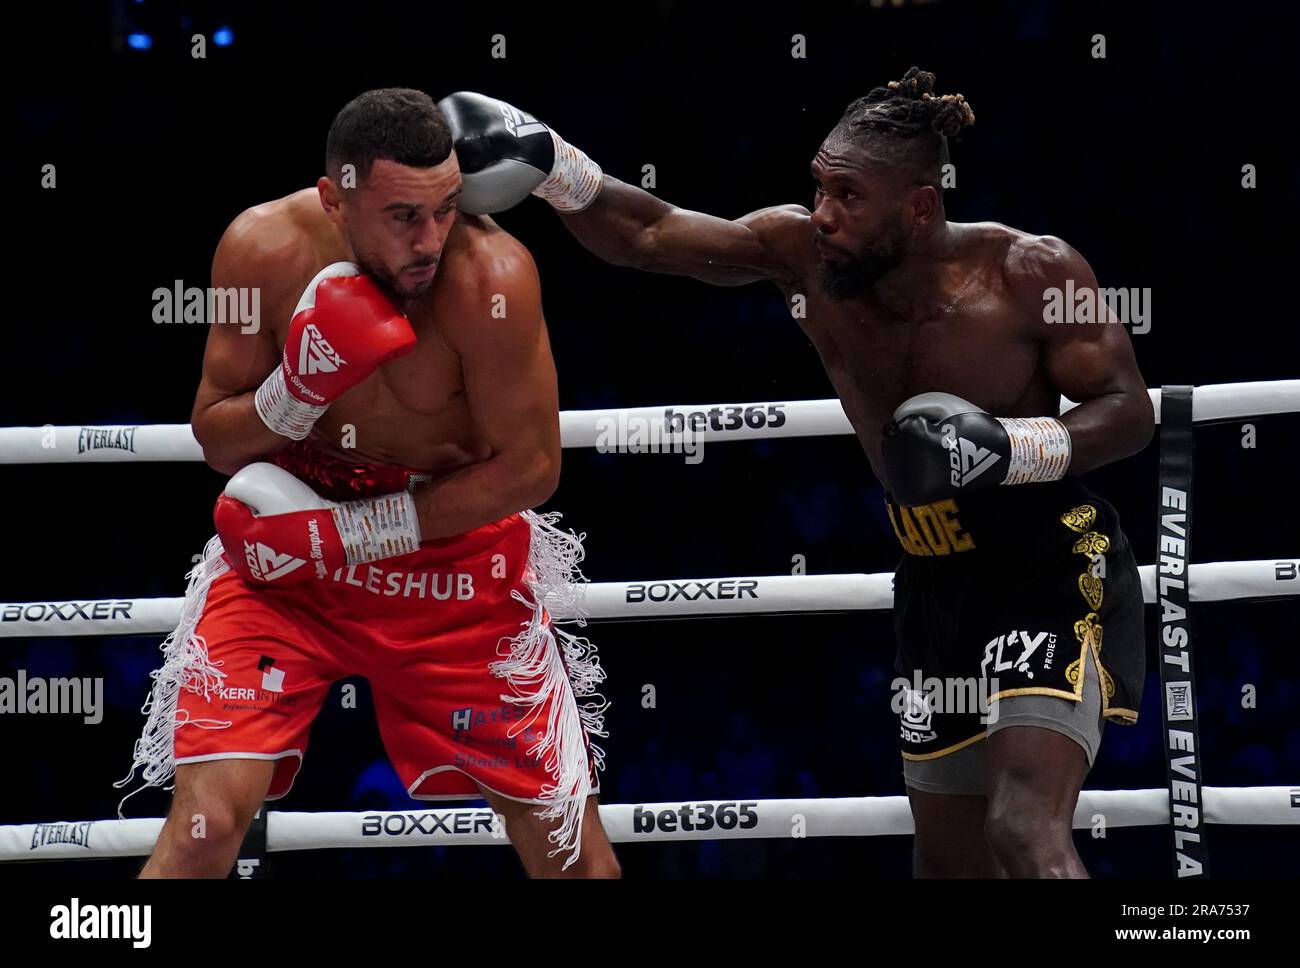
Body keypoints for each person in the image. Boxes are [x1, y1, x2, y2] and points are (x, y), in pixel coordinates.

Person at [441, 67, 1153, 878]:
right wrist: (551, 161)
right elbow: (649, 234)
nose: (823, 214)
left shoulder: (1032, 273)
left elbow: (1127, 410)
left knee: (1024, 830)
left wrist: (1005, 446)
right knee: (950, 864)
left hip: (1048, 569)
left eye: (848, 196)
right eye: (818, 187)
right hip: (935, 588)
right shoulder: (804, 257)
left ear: (919, 207)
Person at [119, 88, 617, 878]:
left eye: (447, 209)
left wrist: (352, 534)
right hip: (286, 563)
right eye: (403, 217)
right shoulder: (263, 249)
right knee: (207, 830)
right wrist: (295, 391)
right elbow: (216, 435)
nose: (430, 241)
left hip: (451, 563)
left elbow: (531, 469)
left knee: (572, 856)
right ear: (334, 197)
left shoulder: (493, 279)